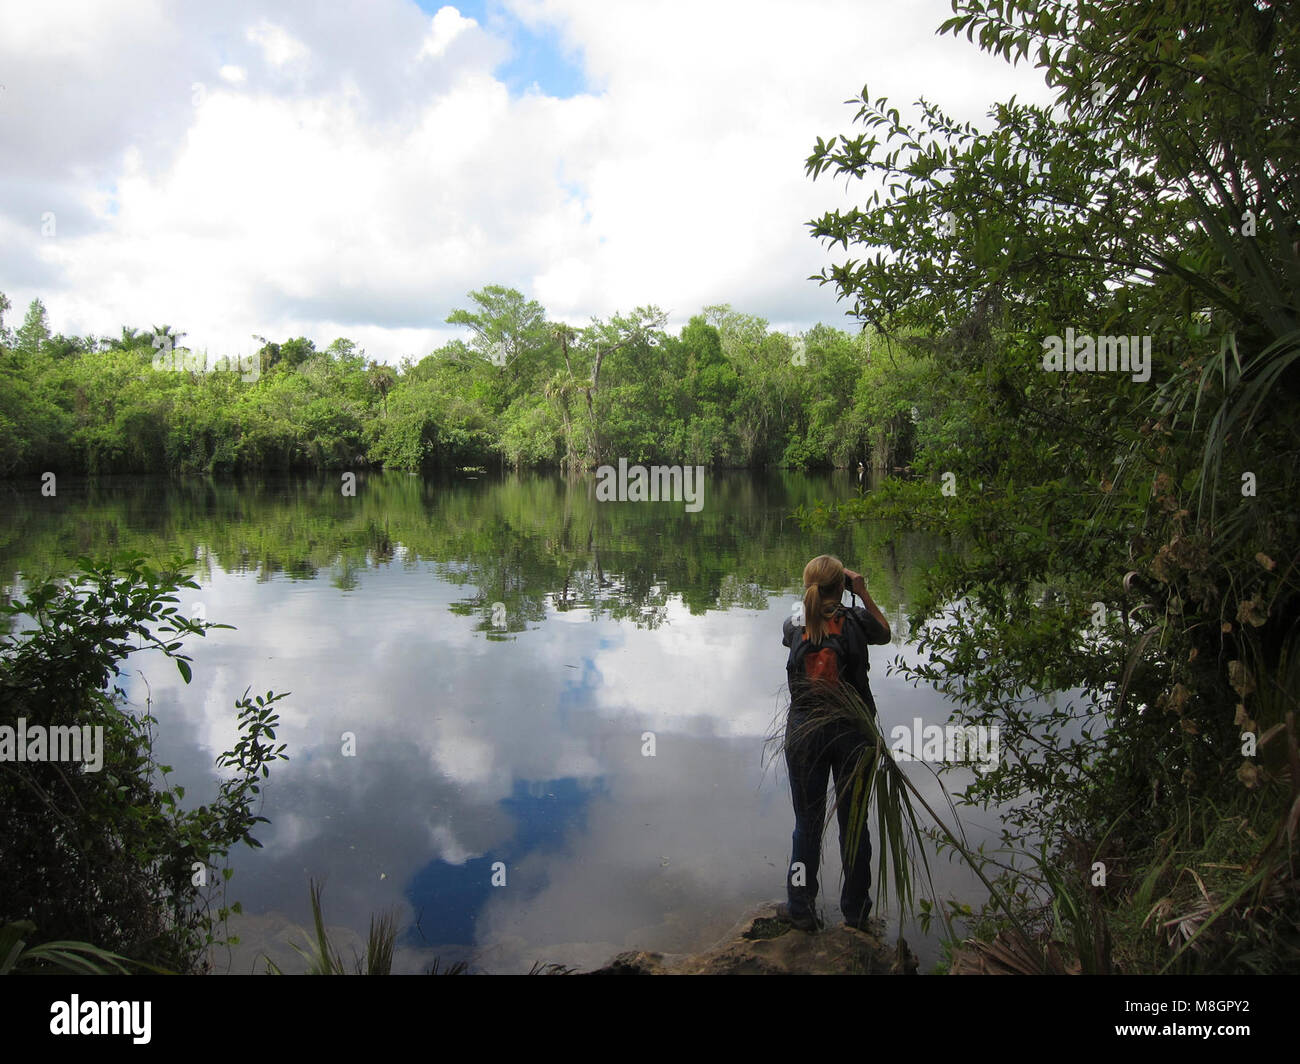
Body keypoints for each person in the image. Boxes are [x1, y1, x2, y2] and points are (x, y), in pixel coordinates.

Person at [779, 554, 891, 932]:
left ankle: (800, 908)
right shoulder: (857, 621)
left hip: (804, 735)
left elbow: (791, 634)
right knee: (854, 824)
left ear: (807, 584)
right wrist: (861, 592)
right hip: (853, 735)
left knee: (805, 824)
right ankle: (856, 915)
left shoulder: (795, 622)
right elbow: (885, 631)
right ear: (842, 585)